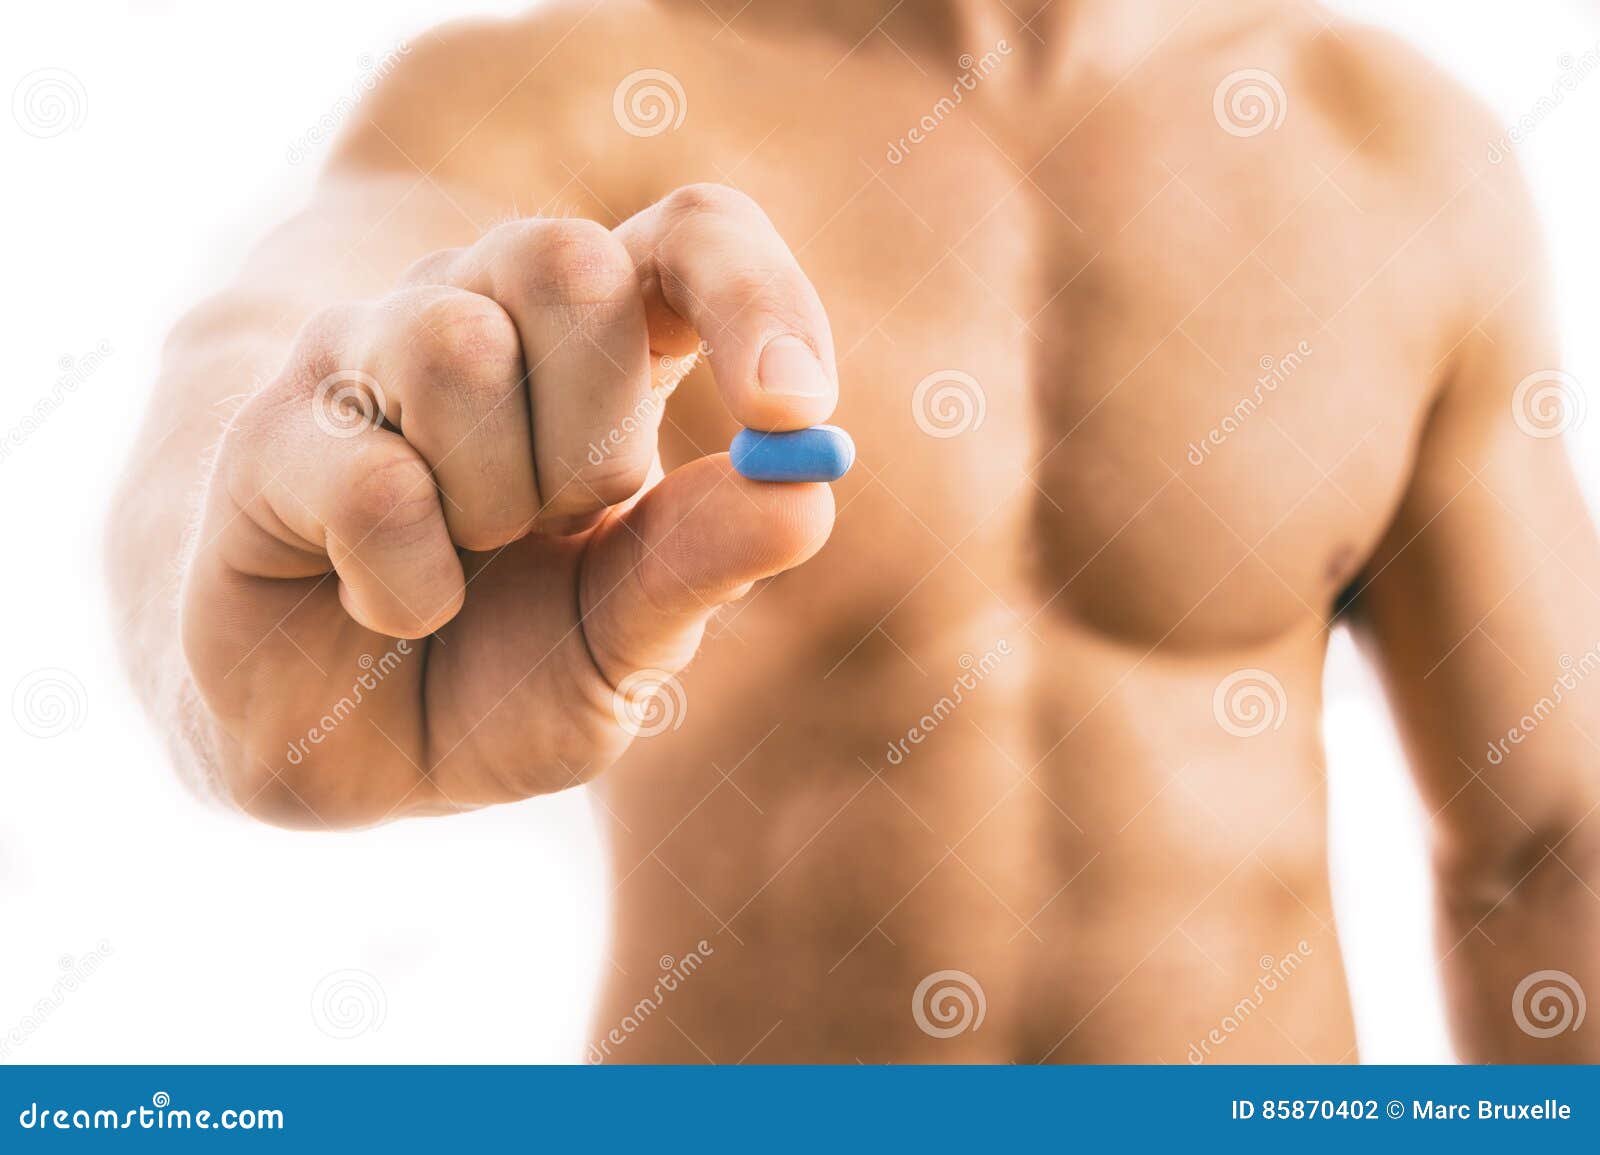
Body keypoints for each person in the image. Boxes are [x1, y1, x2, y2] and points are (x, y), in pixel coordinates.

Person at [107, 0, 1600, 1062]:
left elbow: (1549, 844)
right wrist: (228, 610)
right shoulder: (560, 93)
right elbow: (271, 342)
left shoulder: (1399, 154)